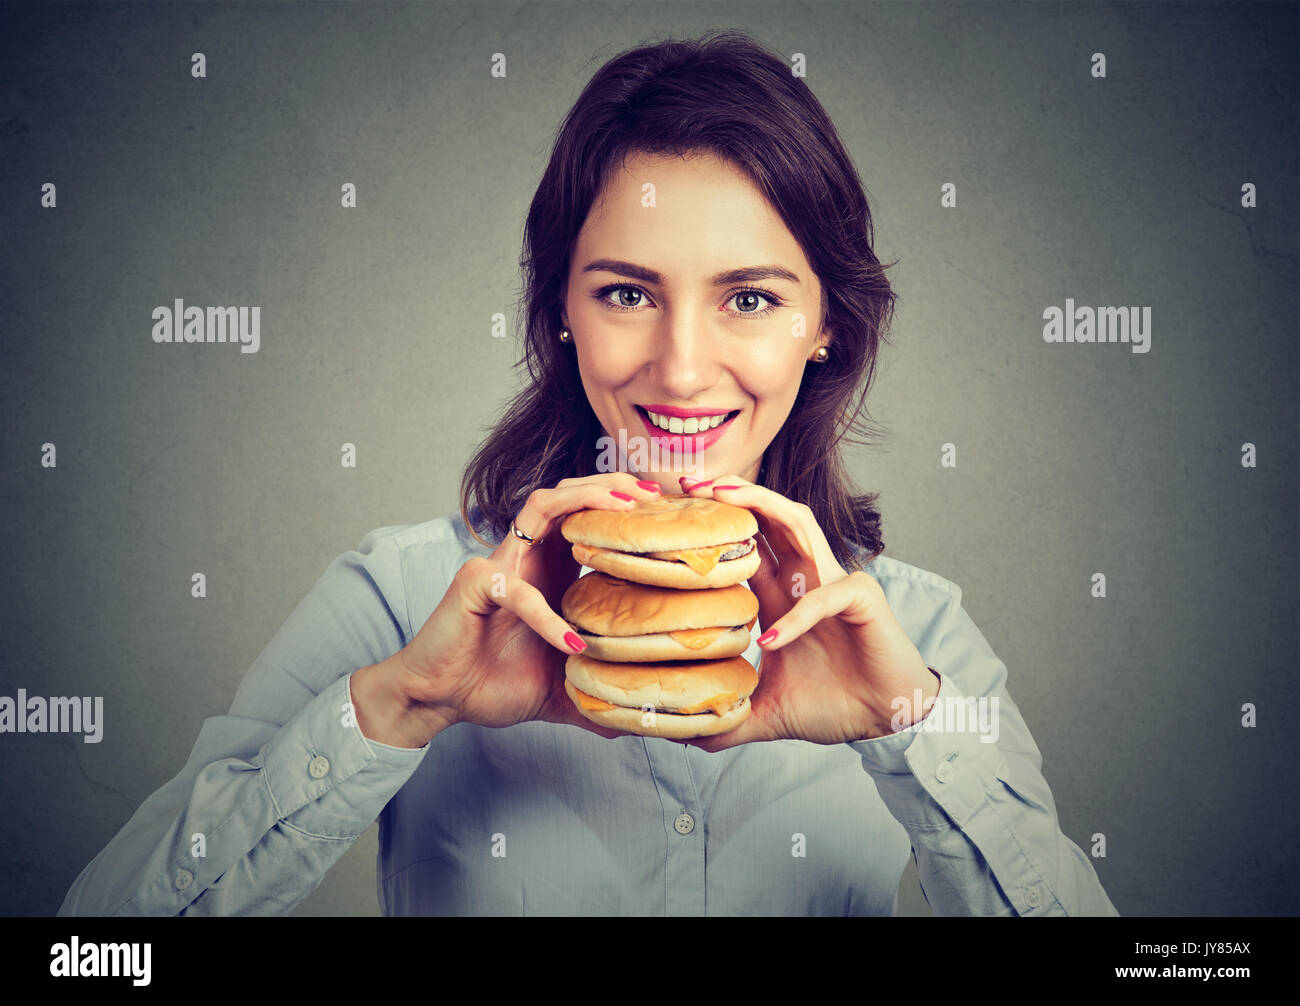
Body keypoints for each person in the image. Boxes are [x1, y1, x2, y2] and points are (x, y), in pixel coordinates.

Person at [59, 30, 1117, 916]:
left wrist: (915, 734)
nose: (683, 367)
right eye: (625, 293)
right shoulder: (402, 599)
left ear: (825, 325)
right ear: (560, 312)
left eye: (748, 297)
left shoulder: (914, 640)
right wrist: (393, 711)